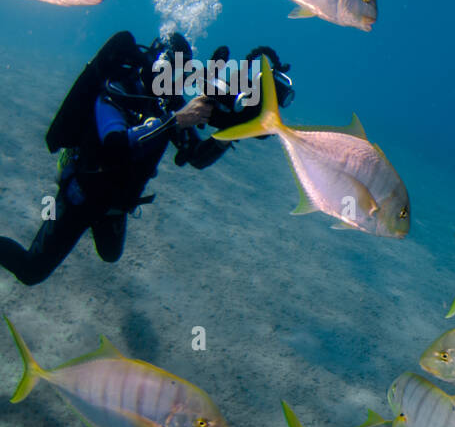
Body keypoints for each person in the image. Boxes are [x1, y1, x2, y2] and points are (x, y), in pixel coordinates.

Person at [0, 31, 292, 286]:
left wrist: (236, 130)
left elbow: (197, 157)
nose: (168, 78)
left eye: (177, 71)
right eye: (165, 66)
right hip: (82, 196)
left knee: (110, 255)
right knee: (31, 271)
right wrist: (174, 120)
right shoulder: (116, 92)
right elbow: (115, 144)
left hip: (116, 205)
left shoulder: (170, 106)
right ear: (152, 62)